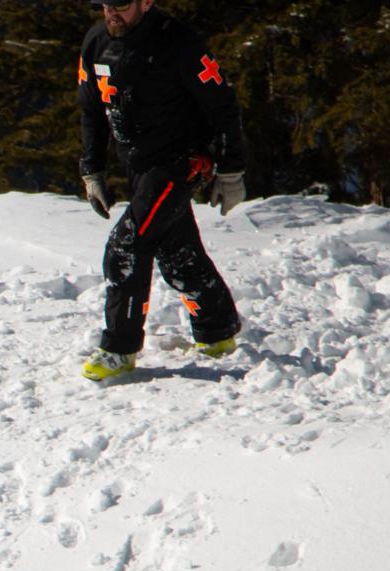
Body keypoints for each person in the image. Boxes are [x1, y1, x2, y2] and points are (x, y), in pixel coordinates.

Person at [77, 0, 246, 381]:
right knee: (175, 248)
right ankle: (217, 329)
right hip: (137, 163)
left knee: (126, 245)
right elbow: (91, 108)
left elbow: (222, 104)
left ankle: (119, 348)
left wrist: (231, 170)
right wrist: (93, 170)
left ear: (146, 2)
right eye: (105, 4)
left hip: (180, 161)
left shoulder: (179, 42)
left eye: (120, 4)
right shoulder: (96, 42)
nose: (111, 13)